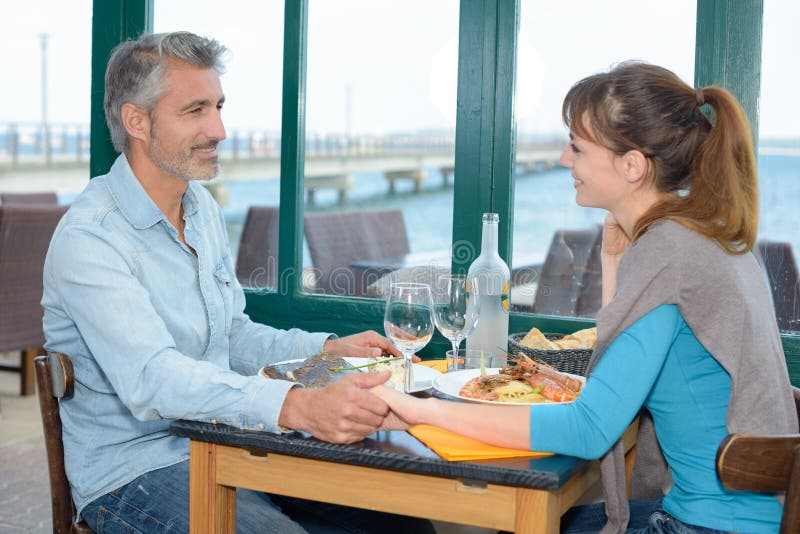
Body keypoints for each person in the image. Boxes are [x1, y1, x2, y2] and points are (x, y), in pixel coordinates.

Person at [371, 61, 799, 533]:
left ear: (632, 165)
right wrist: (616, 260)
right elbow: (626, 371)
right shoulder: (704, 237)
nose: (562, 159)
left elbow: (590, 429)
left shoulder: (668, 252)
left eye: (576, 147)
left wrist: (424, 410)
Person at [42, 31, 434, 534]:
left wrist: (330, 351)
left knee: (399, 522)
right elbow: (153, 379)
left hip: (225, 443)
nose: (220, 129)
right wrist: (299, 407)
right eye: (196, 111)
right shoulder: (90, 239)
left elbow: (233, 335)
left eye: (219, 107)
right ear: (136, 121)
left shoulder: (200, 208)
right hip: (135, 472)